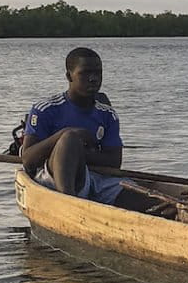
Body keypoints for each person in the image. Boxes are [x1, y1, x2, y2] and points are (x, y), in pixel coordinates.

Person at [20, 46, 133, 206]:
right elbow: (27, 159)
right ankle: (69, 203)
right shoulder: (45, 109)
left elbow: (114, 161)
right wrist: (64, 136)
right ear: (69, 76)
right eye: (85, 73)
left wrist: (77, 154)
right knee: (69, 139)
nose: (93, 79)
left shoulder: (108, 114)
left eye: (98, 73)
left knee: (140, 197)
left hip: (94, 178)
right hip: (51, 179)